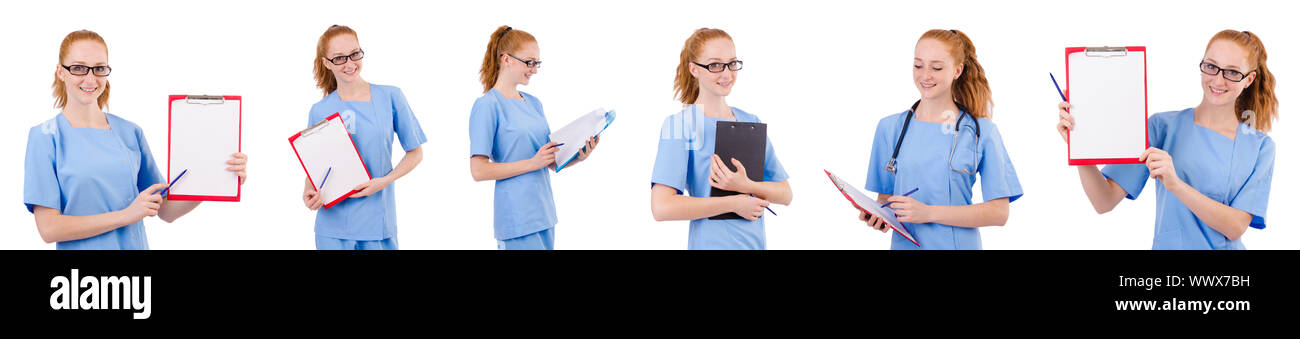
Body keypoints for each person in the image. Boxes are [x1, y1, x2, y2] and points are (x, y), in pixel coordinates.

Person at [24, 30, 249, 249]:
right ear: (60, 72)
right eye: (79, 68)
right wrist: (125, 216)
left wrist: (218, 178)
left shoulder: (130, 132)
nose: (90, 78)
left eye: (99, 69)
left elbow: (166, 211)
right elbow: (49, 228)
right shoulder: (45, 137)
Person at [1056, 30, 1276, 249]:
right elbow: (1103, 201)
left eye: (1232, 72)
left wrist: (1175, 184)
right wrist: (1080, 147)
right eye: (1211, 66)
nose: (1218, 79)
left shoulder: (1259, 147)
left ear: (1249, 79)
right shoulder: (1162, 127)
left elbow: (1236, 226)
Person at [861, 29, 1022, 250]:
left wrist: (928, 213)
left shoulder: (981, 131)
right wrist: (880, 215)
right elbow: (886, 198)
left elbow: (999, 213)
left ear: (957, 71)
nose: (925, 75)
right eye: (918, 66)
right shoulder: (889, 128)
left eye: (936, 67)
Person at [649, 28, 793, 250]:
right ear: (694, 69)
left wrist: (746, 185)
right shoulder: (680, 124)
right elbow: (662, 207)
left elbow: (785, 193)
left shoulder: (750, 121)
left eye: (732, 63)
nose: (727, 74)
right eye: (715, 65)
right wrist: (735, 203)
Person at [468, 25, 600, 250]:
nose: (535, 69)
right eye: (529, 62)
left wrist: (579, 156)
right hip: (516, 216)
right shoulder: (487, 106)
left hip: (544, 212)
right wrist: (532, 163)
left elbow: (548, 161)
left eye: (537, 63)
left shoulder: (534, 103)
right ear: (506, 59)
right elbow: (478, 171)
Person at [302, 25, 426, 250]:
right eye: (339, 58)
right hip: (332, 228)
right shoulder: (319, 110)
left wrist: (384, 181)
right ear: (326, 63)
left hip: (377, 223)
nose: (350, 64)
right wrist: (308, 193)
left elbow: (415, 152)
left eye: (354, 54)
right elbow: (315, 167)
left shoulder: (390, 96)